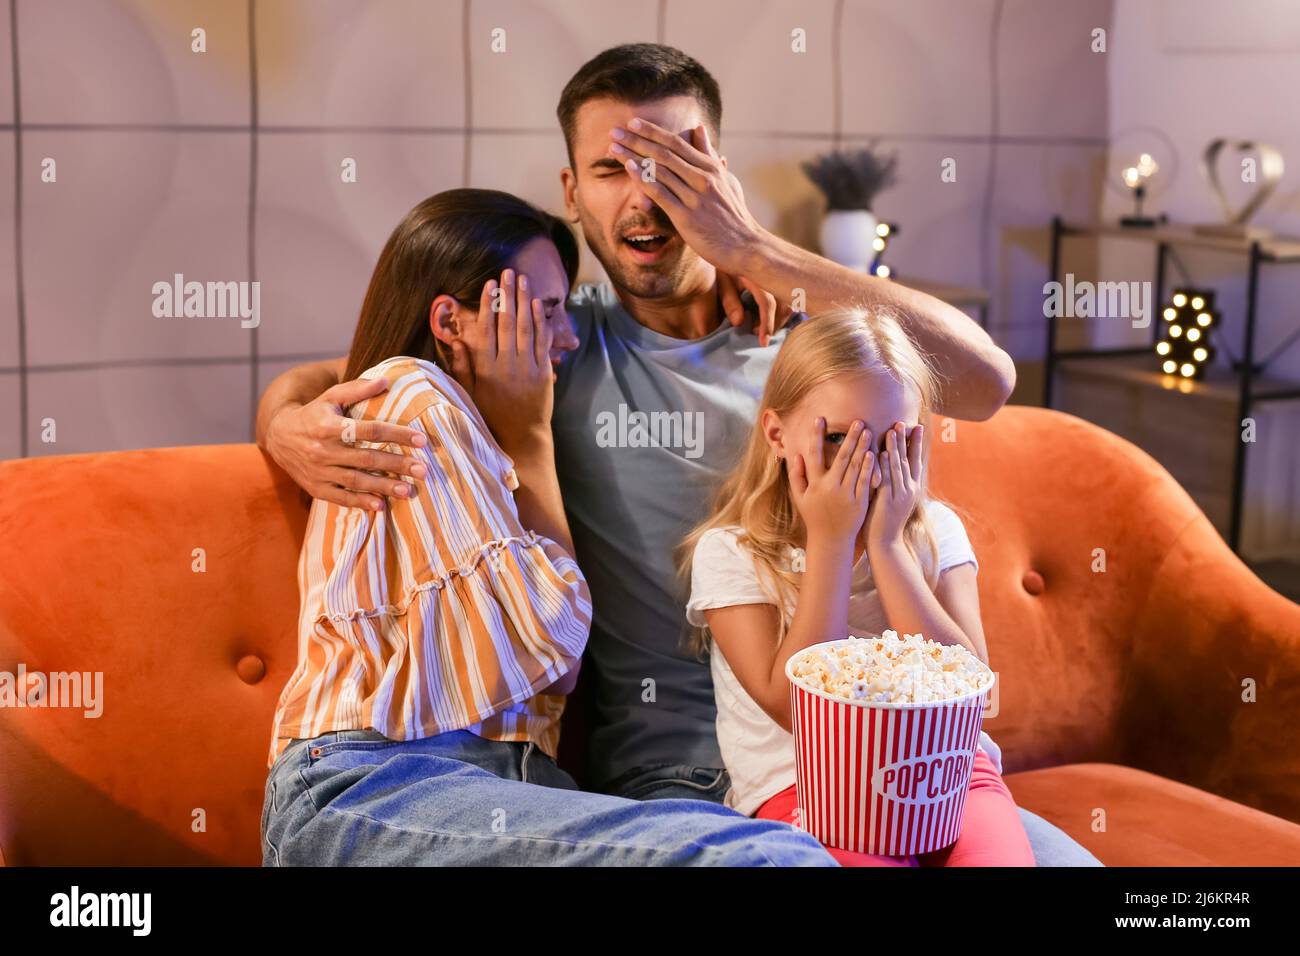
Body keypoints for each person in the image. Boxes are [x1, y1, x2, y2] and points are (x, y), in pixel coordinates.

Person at [258, 44, 1100, 865]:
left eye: (673, 164)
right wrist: (285, 424)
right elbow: (384, 363)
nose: (645, 199)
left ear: (719, 178)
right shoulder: (551, 343)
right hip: (685, 776)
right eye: (613, 168)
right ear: (571, 191)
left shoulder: (810, 350)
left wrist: (754, 251)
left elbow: (985, 380)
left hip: (886, 752)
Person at [263, 187, 841, 865]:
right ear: (451, 322)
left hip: (503, 787)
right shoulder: (415, 400)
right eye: (543, 314)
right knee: (767, 860)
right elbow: (550, 649)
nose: (566, 337)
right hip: (372, 785)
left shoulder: (478, 426)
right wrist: (533, 436)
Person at [682, 310, 1035, 866]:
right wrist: (831, 542)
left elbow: (973, 695)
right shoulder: (732, 553)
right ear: (777, 434)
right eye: (840, 440)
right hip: (805, 787)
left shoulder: (934, 532)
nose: (865, 469)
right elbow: (794, 710)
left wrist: (890, 548)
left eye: (892, 442)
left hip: (948, 770)